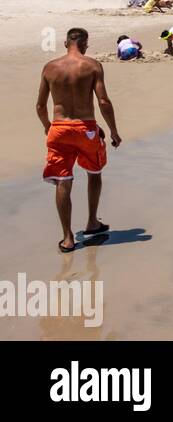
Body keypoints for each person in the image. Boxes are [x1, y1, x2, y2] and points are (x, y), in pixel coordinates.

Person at [36, 28, 121, 253]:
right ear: (84, 44)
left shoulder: (50, 68)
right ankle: (92, 222)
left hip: (60, 128)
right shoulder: (92, 65)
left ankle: (67, 238)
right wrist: (113, 131)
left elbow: (40, 106)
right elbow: (103, 101)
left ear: (66, 43)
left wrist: (48, 127)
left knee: (63, 180)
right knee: (94, 173)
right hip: (86, 130)